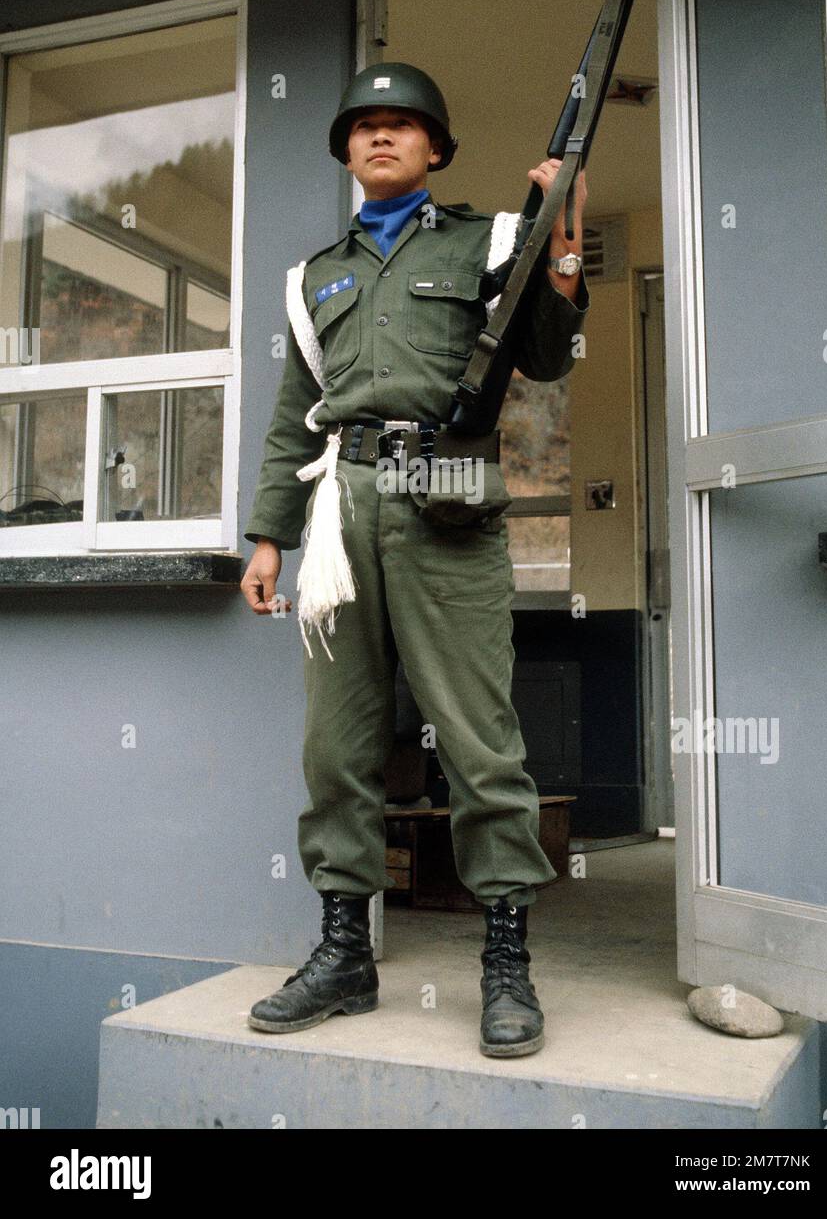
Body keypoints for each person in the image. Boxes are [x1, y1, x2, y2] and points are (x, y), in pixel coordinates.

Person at [240, 62, 590, 1058]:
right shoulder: (313, 277)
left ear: (435, 148)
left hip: (446, 501)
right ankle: (345, 953)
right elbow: (288, 416)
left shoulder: (490, 240)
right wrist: (269, 534)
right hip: (341, 511)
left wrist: (560, 263)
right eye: (364, 127)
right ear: (346, 151)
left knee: (480, 742)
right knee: (335, 745)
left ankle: (505, 959)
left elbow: (546, 360)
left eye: (402, 126)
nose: (381, 138)